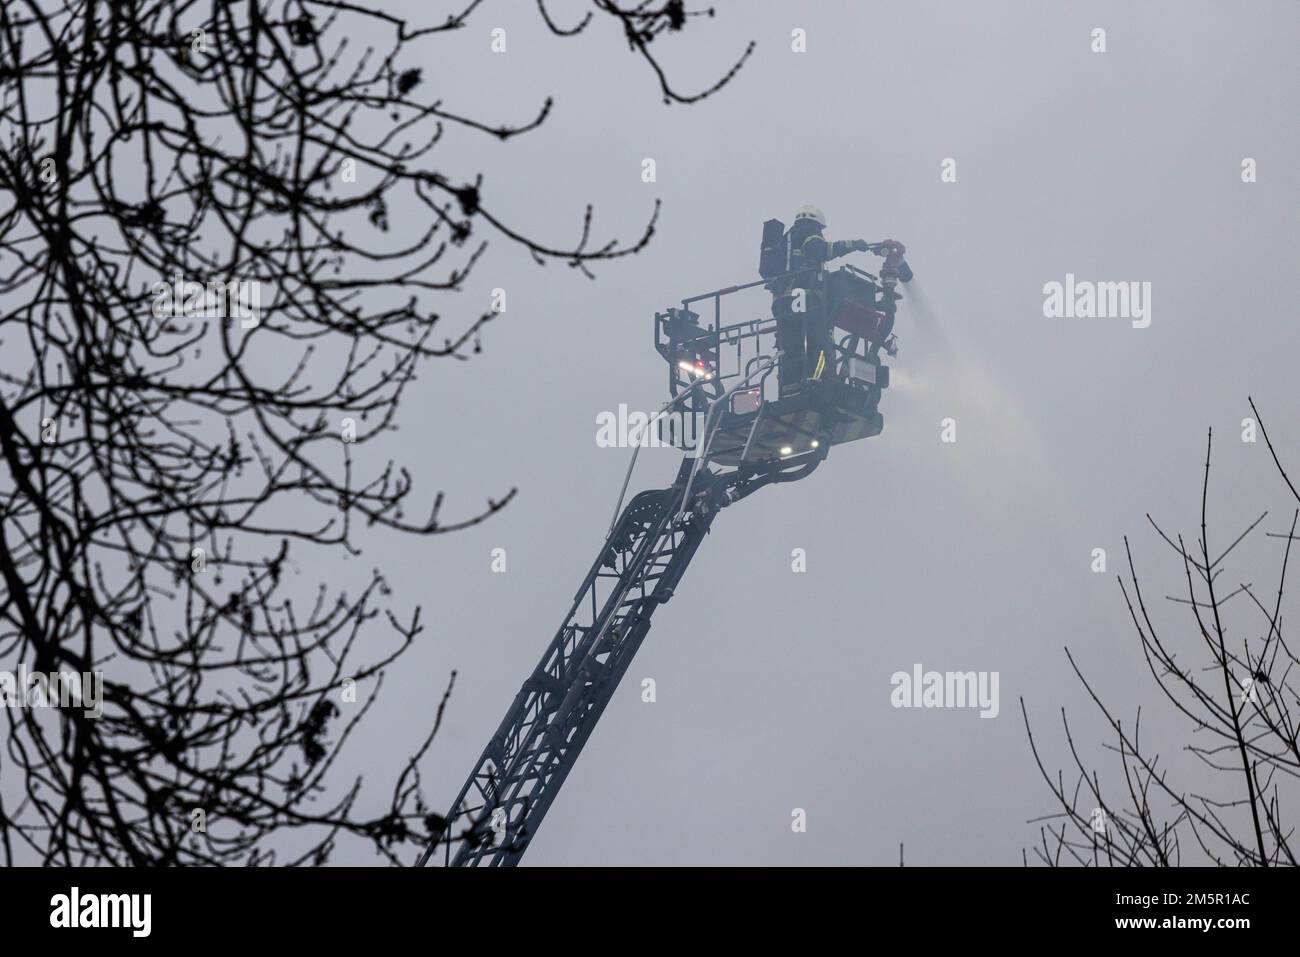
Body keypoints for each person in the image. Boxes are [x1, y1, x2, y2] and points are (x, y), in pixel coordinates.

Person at [768, 206, 869, 396]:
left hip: (782, 304)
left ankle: (790, 385)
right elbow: (821, 250)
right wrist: (853, 245)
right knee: (821, 344)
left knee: (790, 345)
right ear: (818, 223)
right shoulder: (810, 232)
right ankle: (817, 381)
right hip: (805, 300)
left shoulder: (786, 240)